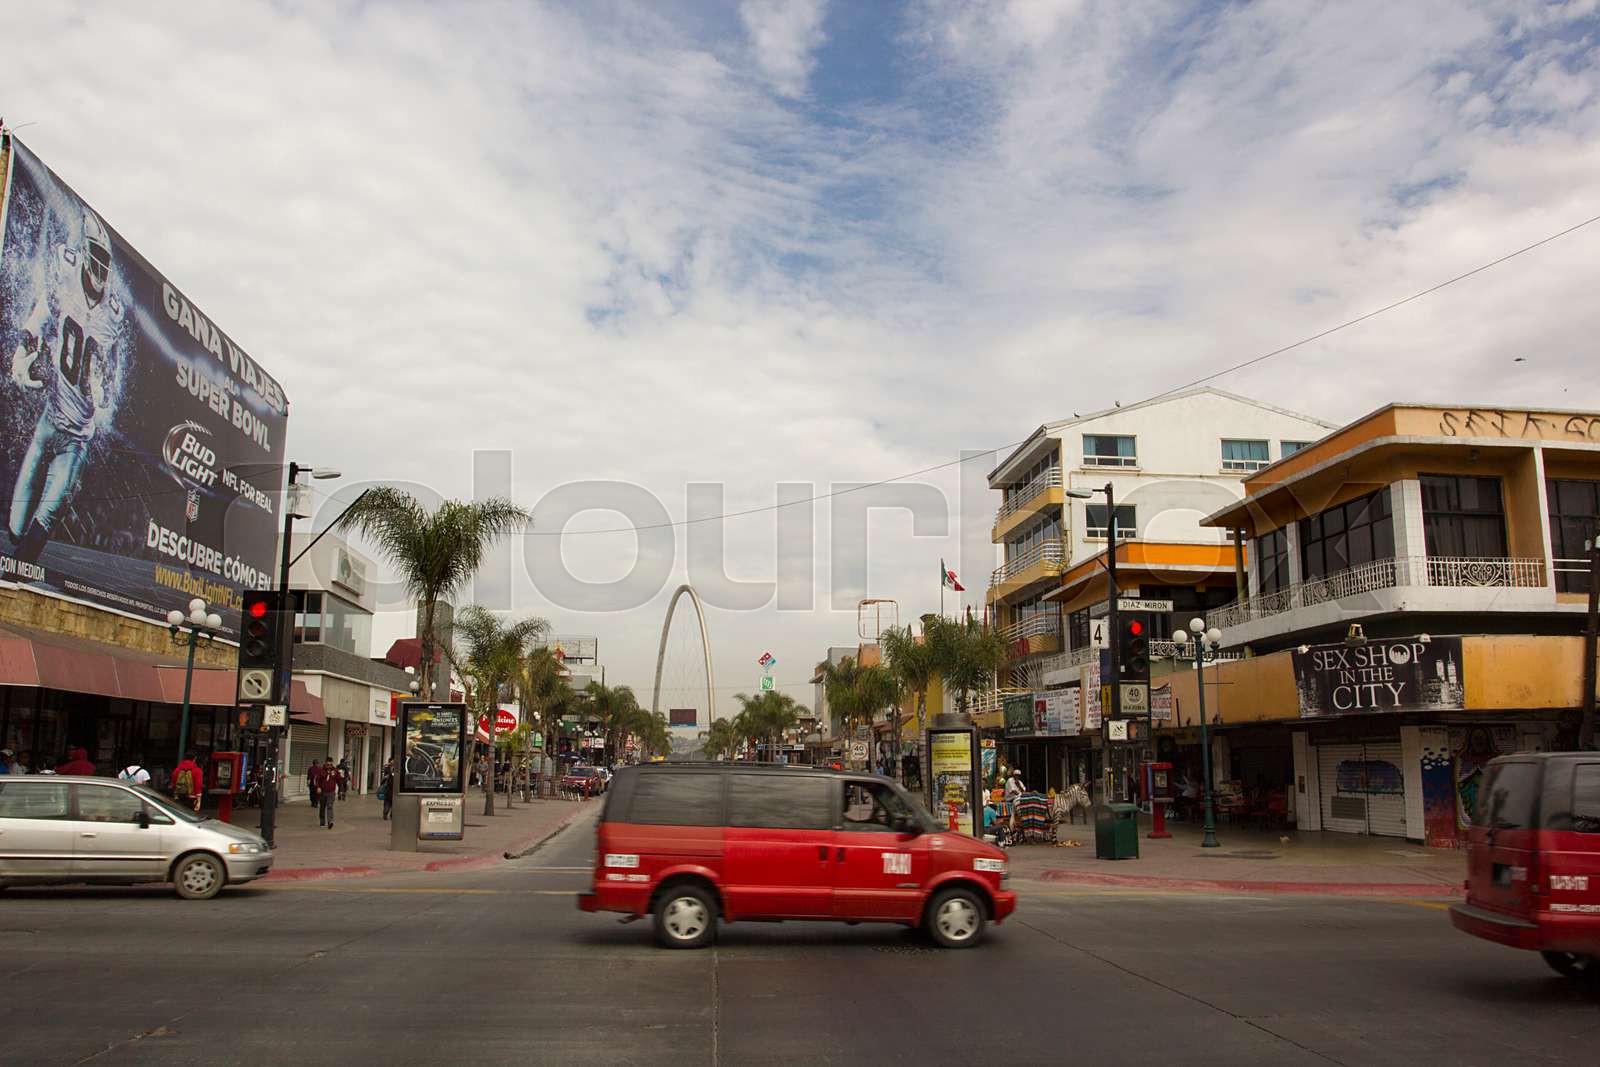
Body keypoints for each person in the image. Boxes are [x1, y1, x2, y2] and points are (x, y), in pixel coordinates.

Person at [7, 209, 126, 565]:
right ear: (85, 252)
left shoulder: (112, 314)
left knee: (46, 518)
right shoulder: (67, 270)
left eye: (106, 260)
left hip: (76, 438)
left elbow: (111, 372)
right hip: (48, 421)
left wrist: (103, 387)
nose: (101, 268)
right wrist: (26, 346)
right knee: (15, 525)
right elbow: (45, 308)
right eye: (97, 257)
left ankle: (20, 574)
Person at [310, 758, 336, 829]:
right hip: (323, 792)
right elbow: (316, 780)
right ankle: (322, 822)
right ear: (325, 763)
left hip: (331, 792)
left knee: (330, 806)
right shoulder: (321, 771)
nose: (329, 766)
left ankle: (330, 821)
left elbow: (339, 779)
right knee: (322, 807)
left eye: (330, 764)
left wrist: (342, 788)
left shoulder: (334, 771)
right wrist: (318, 787)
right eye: (328, 764)